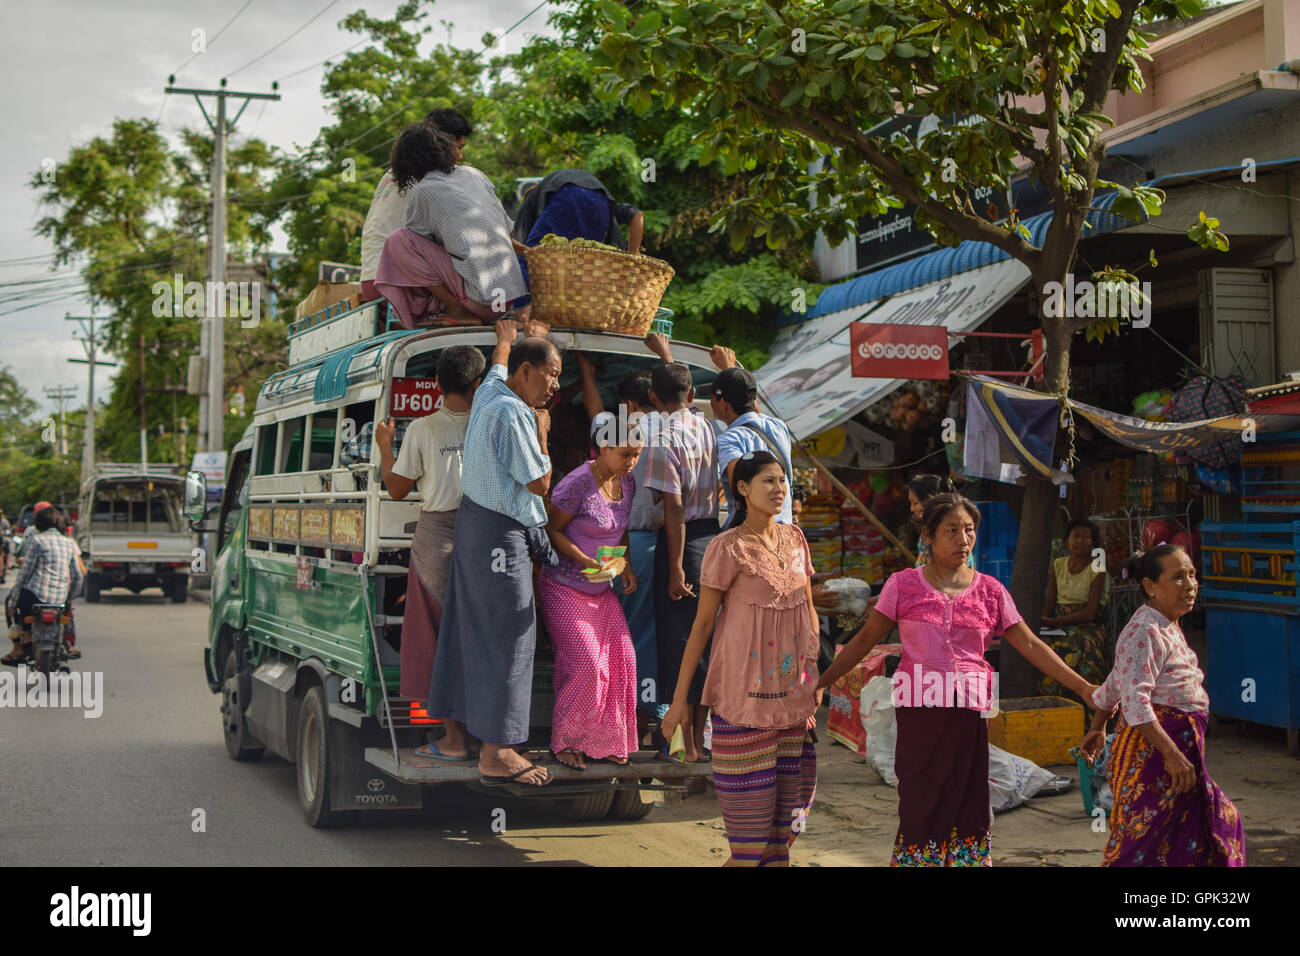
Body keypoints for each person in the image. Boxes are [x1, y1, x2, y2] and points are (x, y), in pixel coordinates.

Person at [818, 493, 1100, 866]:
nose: (963, 539)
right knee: (921, 799)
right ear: (929, 537)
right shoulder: (902, 585)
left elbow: (1030, 644)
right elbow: (865, 640)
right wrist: (821, 683)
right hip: (920, 710)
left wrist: (1083, 687)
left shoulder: (990, 591)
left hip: (969, 711)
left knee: (967, 797)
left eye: (969, 530)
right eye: (951, 530)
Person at [662, 451, 820, 866]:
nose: (778, 489)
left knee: (782, 835)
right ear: (743, 490)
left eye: (782, 481)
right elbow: (701, 627)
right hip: (742, 701)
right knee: (749, 841)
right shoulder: (726, 548)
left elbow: (809, 610)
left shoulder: (796, 539)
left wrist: (813, 678)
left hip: (792, 700)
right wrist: (680, 702)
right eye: (768, 481)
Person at [425, 322, 561, 787]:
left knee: (472, 635)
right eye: (552, 374)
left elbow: (498, 364)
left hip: (474, 531)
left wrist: (507, 335)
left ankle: (460, 738)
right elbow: (540, 484)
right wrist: (544, 434)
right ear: (528, 371)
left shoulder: (488, 391)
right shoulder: (515, 414)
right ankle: (497, 751)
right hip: (500, 539)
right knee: (510, 639)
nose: (556, 385)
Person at [1081, 545, 1244, 866]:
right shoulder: (1144, 631)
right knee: (1144, 841)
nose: (1190, 585)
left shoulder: (1167, 624)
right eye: (1178, 577)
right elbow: (1135, 702)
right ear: (1150, 586)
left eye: (1192, 575)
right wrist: (1172, 755)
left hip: (1178, 751)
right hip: (1155, 756)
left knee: (1202, 829)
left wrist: (1098, 727)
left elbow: (1115, 682)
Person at [375, 344, 488, 761]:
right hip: (485, 534)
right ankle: (486, 736)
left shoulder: (423, 429)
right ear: (479, 384)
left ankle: (454, 739)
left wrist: (385, 445)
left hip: (436, 538)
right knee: (477, 635)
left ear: (437, 383)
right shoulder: (488, 423)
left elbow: (398, 488)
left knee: (439, 636)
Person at [538, 416, 642, 770]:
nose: (631, 463)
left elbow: (621, 530)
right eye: (626, 454)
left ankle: (606, 741)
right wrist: (583, 560)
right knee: (585, 665)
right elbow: (551, 530)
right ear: (604, 448)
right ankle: (566, 742)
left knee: (623, 661)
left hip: (601, 588)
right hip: (564, 586)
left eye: (637, 456)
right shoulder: (577, 483)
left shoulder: (627, 484)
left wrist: (624, 563)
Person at [576, 349, 669, 737]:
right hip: (654, 545)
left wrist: (584, 368)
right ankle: (643, 713)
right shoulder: (669, 428)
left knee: (607, 626)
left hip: (613, 544)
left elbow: (593, 406)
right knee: (643, 630)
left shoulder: (614, 430)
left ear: (629, 403)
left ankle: (612, 713)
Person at [375, 123, 532, 329]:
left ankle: (456, 309)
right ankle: (459, 306)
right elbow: (505, 231)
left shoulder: (423, 190)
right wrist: (526, 251)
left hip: (480, 301)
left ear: (407, 163)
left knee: (398, 241)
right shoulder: (475, 174)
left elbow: (416, 245)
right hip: (506, 300)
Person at [644, 358, 721, 763]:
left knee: (679, 647)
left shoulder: (663, 440)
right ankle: (698, 742)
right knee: (704, 642)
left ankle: (685, 746)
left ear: (653, 397)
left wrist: (674, 567)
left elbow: (672, 510)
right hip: (711, 540)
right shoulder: (705, 427)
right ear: (692, 396)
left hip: (683, 546)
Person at [360, 108, 473, 302]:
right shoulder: (430, 180)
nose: (460, 157)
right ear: (440, 143)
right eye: (458, 148)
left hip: (372, 280)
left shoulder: (396, 173)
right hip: (398, 283)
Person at [711, 359, 796, 527]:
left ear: (722, 403)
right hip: (784, 530)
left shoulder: (729, 440)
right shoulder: (778, 427)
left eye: (712, 397)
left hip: (754, 534)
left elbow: (740, 491)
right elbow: (755, 414)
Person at [1039, 518, 1110, 706]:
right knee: (1045, 649)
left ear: (1093, 543)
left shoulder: (1097, 567)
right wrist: (1044, 622)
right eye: (1076, 536)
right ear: (1067, 540)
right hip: (1058, 623)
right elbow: (1050, 600)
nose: (1080, 541)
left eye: (1086, 537)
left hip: (1088, 625)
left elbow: (1090, 613)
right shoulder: (1058, 565)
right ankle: (1055, 706)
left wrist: (1055, 622)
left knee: (1083, 646)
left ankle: (1090, 709)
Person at [3, 505, 83, 666]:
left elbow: (25, 573)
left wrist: (12, 604)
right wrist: (69, 598)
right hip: (60, 597)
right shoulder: (69, 543)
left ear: (38, 523)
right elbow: (78, 576)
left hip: (36, 595)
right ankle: (66, 641)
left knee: (12, 600)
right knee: (67, 614)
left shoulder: (37, 540)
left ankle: (21, 642)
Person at [511, 169, 644, 254]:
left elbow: (518, 244)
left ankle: (525, 298)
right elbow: (637, 215)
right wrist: (633, 258)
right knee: (588, 267)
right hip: (600, 198)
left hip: (564, 194)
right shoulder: (600, 200)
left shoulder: (530, 200)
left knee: (535, 256)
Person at [907, 473, 973, 567]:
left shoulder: (947, 529)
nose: (912, 509)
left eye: (915, 503)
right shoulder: (928, 530)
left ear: (929, 501)